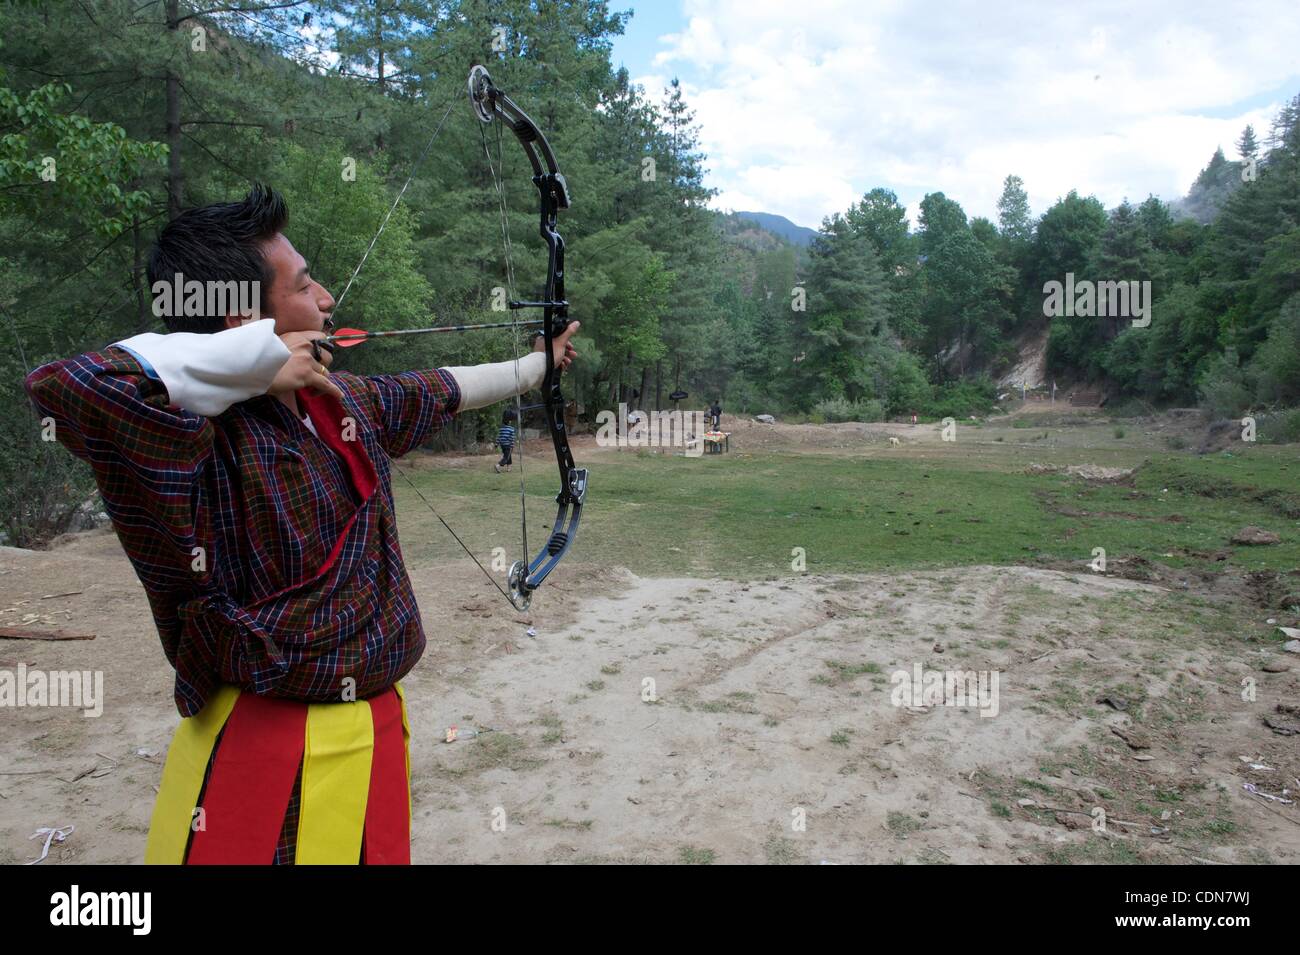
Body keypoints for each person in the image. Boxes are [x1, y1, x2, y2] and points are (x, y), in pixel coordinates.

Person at [24, 184, 578, 864]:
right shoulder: (183, 442)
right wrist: (254, 364)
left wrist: (539, 364)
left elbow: (445, 386)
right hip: (262, 754)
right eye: (305, 284)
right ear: (240, 321)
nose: (325, 300)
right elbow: (65, 384)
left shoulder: (339, 403)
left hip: (372, 733)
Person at [495, 408, 517, 473]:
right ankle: (498, 465)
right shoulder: (511, 429)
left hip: (502, 445)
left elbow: (499, 437)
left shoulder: (501, 428)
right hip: (508, 445)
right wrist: (512, 446)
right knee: (506, 457)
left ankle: (509, 468)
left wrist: (496, 444)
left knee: (508, 455)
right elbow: (512, 438)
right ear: (510, 421)